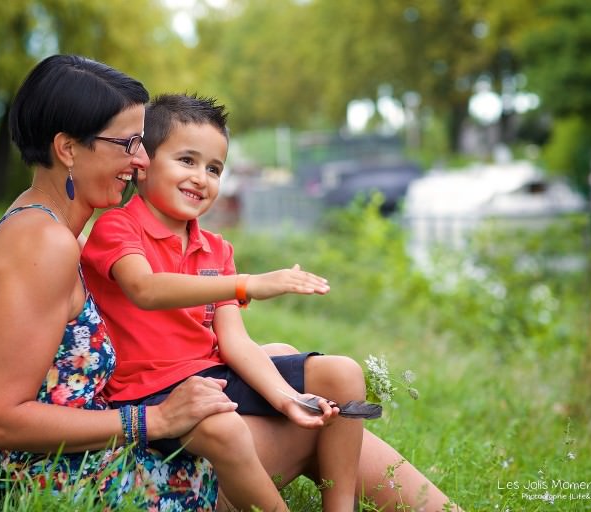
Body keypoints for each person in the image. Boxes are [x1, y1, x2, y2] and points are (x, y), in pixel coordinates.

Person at [0, 55, 242, 511]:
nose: (143, 159)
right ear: (68, 149)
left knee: (275, 399)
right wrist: (156, 419)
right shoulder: (44, 245)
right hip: (71, 487)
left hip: (85, 464)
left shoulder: (36, 221)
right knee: (284, 437)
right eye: (129, 143)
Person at [81, 93, 383, 511]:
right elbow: (145, 289)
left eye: (214, 168)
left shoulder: (216, 248)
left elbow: (235, 343)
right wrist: (243, 284)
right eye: (186, 161)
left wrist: (285, 398)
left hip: (213, 374)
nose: (201, 178)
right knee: (227, 429)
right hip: (149, 393)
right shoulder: (118, 228)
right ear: (143, 166)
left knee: (343, 374)